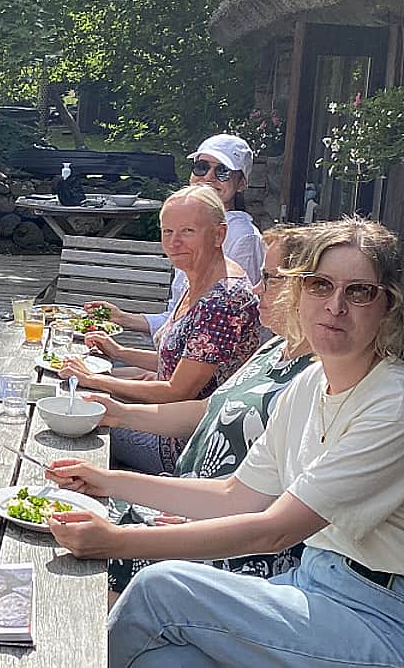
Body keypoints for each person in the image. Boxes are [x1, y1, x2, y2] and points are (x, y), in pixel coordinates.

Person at [46, 218, 404, 668]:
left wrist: (117, 541)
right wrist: (107, 481)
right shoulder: (309, 382)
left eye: (359, 292)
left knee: (160, 588)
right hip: (311, 583)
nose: (335, 305)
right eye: (320, 284)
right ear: (299, 293)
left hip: (377, 614)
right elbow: (236, 495)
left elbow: (275, 530)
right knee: (166, 661)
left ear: (389, 306)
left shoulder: (392, 403)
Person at [95, 225, 314, 602]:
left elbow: (268, 508)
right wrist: (119, 414)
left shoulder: (315, 379)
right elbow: (207, 409)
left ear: (307, 288)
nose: (256, 289)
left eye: (268, 278)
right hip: (194, 494)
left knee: (106, 551)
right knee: (75, 509)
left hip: (234, 537)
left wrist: (185, 519)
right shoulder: (275, 349)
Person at [59, 186, 262, 473]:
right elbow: (182, 361)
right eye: (167, 232)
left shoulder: (222, 302)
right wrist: (119, 352)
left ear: (219, 235)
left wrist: (95, 380)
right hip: (164, 417)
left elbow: (176, 392)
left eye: (188, 231)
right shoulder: (199, 277)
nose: (174, 242)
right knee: (66, 389)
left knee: (68, 420)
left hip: (186, 444)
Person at [88, 133, 264, 336]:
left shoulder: (243, 237)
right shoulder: (188, 232)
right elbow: (177, 320)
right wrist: (121, 318)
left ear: (241, 183)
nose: (208, 177)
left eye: (223, 171)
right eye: (202, 167)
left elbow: (238, 322)